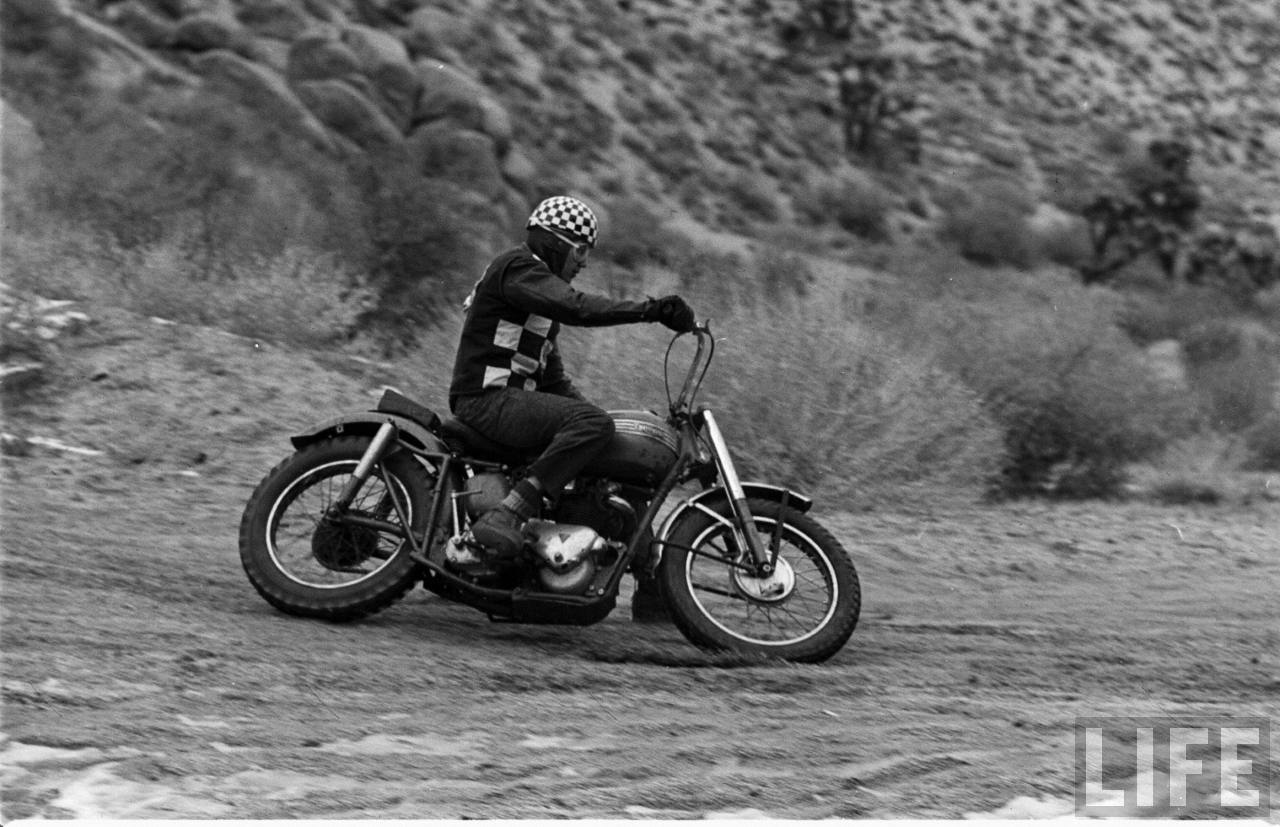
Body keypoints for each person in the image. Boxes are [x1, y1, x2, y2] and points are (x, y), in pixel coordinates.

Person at [448, 195, 696, 566]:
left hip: (507, 404)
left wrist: (602, 423)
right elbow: (576, 306)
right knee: (592, 424)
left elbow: (552, 382)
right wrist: (650, 310)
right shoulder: (516, 267)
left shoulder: (538, 300)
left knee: (604, 433)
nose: (583, 260)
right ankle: (510, 513)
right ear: (554, 240)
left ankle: (653, 583)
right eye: (580, 249)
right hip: (486, 399)